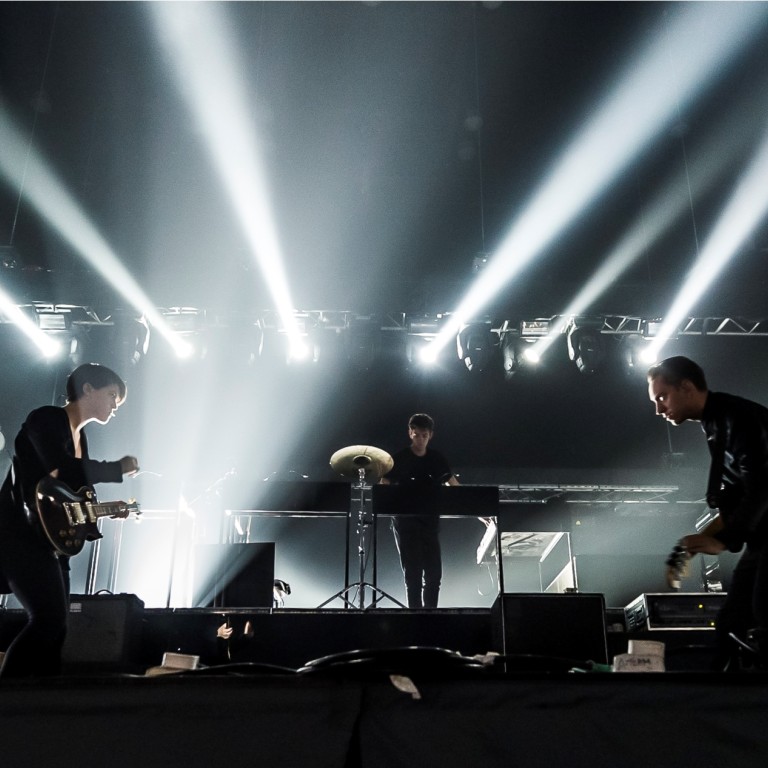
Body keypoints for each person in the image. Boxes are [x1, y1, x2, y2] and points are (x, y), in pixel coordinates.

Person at [0, 363, 140, 678]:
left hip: (52, 541)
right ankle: (9, 700)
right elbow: (58, 470)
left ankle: (42, 707)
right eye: (113, 395)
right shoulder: (46, 418)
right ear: (88, 388)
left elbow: (73, 499)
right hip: (21, 536)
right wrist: (116, 469)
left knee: (57, 627)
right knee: (47, 621)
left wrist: (105, 510)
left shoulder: (82, 438)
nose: (115, 406)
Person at [647, 355, 768, 670]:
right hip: (762, 537)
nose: (658, 408)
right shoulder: (717, 422)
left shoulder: (736, 418)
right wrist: (701, 539)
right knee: (731, 621)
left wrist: (725, 539)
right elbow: (743, 496)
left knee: (762, 609)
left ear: (686, 387)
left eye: (662, 396)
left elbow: (762, 488)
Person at [381, 413, 459, 609]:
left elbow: (453, 483)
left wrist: (477, 509)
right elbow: (384, 483)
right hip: (405, 522)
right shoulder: (398, 458)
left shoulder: (436, 458)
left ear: (430, 435)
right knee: (413, 574)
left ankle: (431, 613)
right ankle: (414, 615)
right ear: (410, 433)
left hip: (430, 522)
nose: (420, 439)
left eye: (424, 435)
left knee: (434, 574)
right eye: (417, 435)